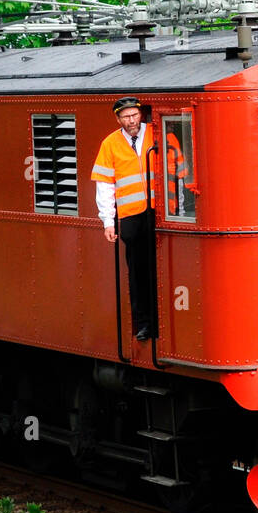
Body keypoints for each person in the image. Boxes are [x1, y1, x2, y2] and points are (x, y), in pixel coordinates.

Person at [92, 97, 157, 341]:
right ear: (118, 119)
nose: (132, 121)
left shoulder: (156, 133)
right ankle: (145, 324)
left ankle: (160, 320)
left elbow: (176, 169)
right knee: (138, 272)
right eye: (127, 117)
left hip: (158, 212)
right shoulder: (110, 144)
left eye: (135, 115)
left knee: (157, 269)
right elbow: (105, 185)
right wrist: (108, 221)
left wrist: (180, 207)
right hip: (131, 216)